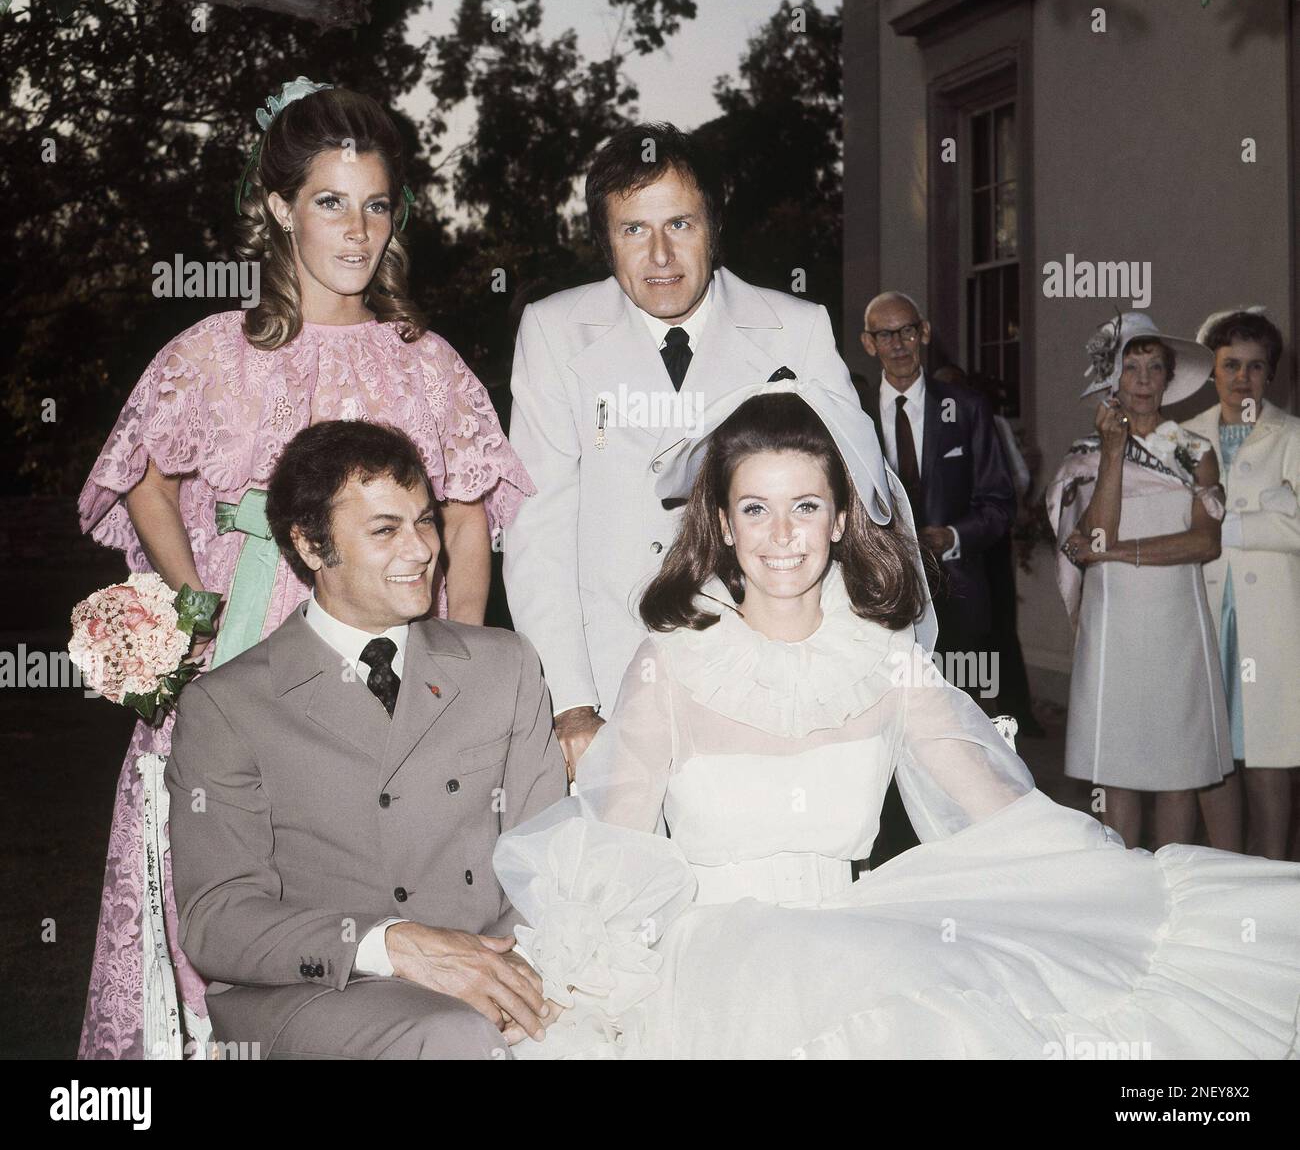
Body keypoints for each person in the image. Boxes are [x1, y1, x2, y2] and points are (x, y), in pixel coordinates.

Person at [490, 378, 1300, 1060]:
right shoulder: (672, 660)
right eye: (756, 510)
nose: (782, 537)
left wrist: (1115, 881)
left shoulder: (884, 658)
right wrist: (581, 981)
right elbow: (617, 843)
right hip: (706, 966)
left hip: (856, 938)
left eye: (805, 506)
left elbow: (998, 810)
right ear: (725, 525)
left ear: (842, 518)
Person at [75, 79, 533, 1058]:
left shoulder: (429, 362)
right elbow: (142, 474)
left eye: (377, 204)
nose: (357, 229)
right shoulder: (212, 349)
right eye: (330, 200)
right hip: (247, 637)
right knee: (227, 887)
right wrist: (193, 600)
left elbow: (464, 522)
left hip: (385, 644)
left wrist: (462, 665)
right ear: (280, 207)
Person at [166, 420, 567, 1058]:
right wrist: (389, 944)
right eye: (385, 530)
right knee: (454, 1036)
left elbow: (552, 857)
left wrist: (507, 970)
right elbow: (217, 922)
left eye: (426, 521)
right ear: (312, 545)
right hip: (319, 995)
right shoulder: (229, 704)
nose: (421, 551)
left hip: (504, 964)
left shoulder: (504, 665)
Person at [503, 122, 870, 781]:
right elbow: (539, 530)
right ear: (604, 239)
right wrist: (571, 703)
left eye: (681, 224)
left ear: (715, 224)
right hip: (613, 683)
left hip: (761, 677)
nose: (661, 256)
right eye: (633, 230)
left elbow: (853, 512)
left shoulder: (798, 328)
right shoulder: (554, 332)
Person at [1046, 312, 1231, 850]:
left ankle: (1173, 885)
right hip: (1115, 620)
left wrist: (1121, 554)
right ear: (1113, 380)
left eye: (1155, 367)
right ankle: (1124, 895)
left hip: (1176, 619)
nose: (1145, 380)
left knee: (1178, 769)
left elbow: (1205, 542)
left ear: (1169, 378)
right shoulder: (1084, 456)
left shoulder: (1195, 452)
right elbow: (1095, 536)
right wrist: (1111, 453)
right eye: (1132, 368)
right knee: (1119, 767)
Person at [857, 291, 1015, 866]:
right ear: (868, 343)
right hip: (874, 608)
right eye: (884, 335)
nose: (897, 344)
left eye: (907, 331)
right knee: (883, 730)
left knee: (959, 729)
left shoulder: (966, 409)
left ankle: (971, 859)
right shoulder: (848, 413)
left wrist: (951, 538)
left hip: (960, 604)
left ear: (924, 333)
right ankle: (893, 862)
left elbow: (1000, 502)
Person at [1187, 308, 1300, 859]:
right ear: (1213, 371)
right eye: (1230, 365)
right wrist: (1275, 512)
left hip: (1272, 622)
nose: (1242, 378)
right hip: (1205, 615)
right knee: (1214, 750)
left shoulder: (1292, 437)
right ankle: (1228, 878)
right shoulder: (1184, 439)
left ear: (1271, 374)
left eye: (1256, 367)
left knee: (1271, 753)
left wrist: (1223, 521)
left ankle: (1276, 882)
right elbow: (1173, 525)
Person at [932, 364, 1044, 738]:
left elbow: (1017, 479)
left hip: (987, 542)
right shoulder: (923, 426)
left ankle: (1012, 712)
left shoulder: (988, 423)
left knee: (997, 626)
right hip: (941, 549)